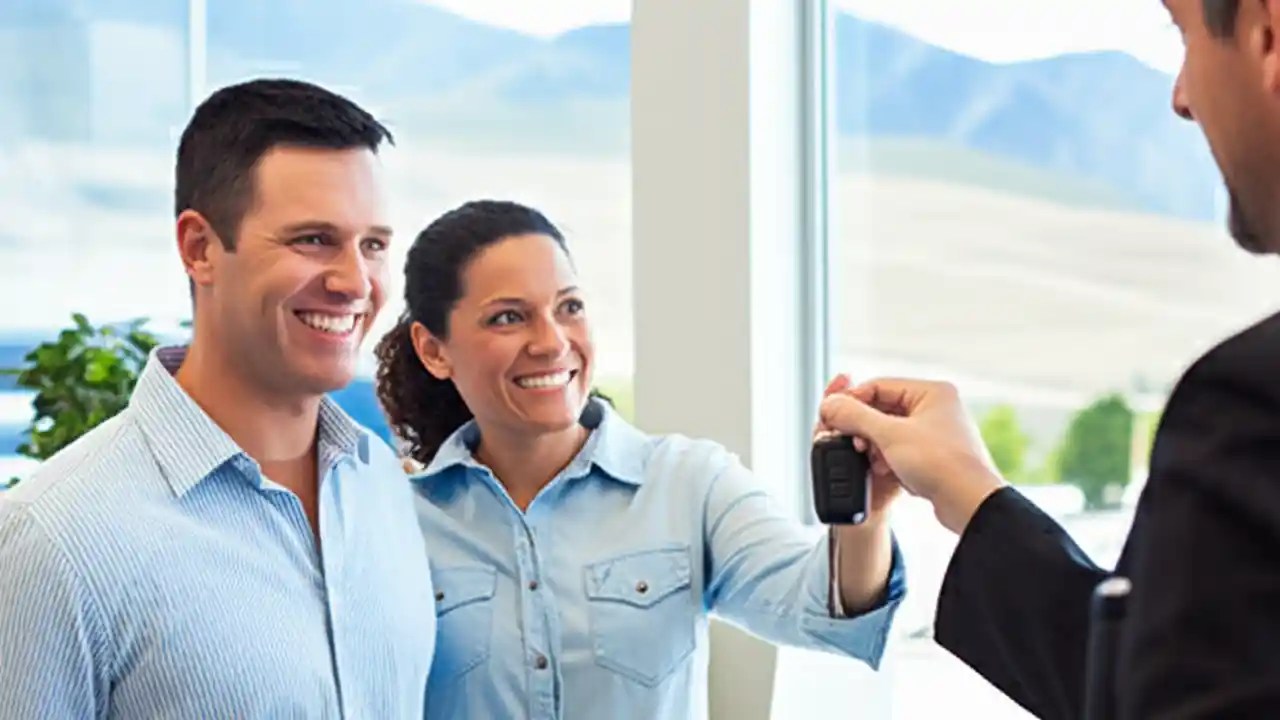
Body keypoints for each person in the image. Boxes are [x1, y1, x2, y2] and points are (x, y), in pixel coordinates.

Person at [818, 0, 1280, 717]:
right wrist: (970, 493)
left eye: (1183, 35)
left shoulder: (1251, 405)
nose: (1181, 96)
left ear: (1267, 34)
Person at [0, 79, 436, 717]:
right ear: (200, 249)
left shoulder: (381, 487)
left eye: (372, 245)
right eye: (312, 239)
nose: (354, 282)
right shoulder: (56, 543)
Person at [374, 199, 906, 719]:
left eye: (569, 308)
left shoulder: (690, 484)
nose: (552, 342)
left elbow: (824, 613)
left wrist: (868, 516)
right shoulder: (398, 520)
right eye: (508, 318)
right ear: (434, 350)